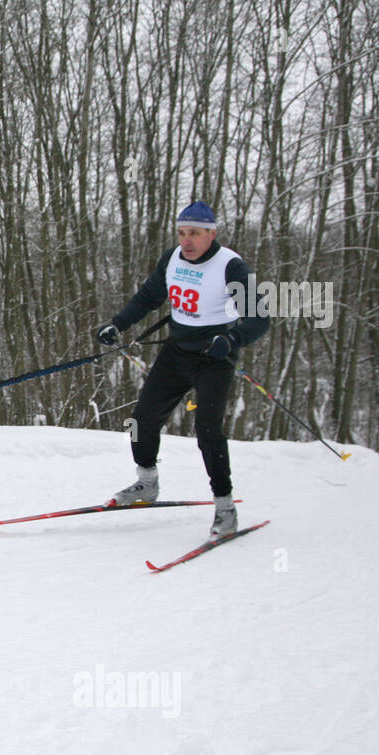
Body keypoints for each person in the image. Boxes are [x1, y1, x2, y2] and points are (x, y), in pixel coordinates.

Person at [96, 201, 269, 537]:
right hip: (176, 353)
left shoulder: (230, 266)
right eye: (182, 232)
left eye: (194, 233)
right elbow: (148, 297)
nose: (186, 240)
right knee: (141, 420)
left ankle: (225, 508)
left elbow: (259, 319)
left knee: (207, 430)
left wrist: (232, 339)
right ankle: (147, 484)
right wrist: (118, 324)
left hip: (214, 358)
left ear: (211, 234)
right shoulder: (173, 258)